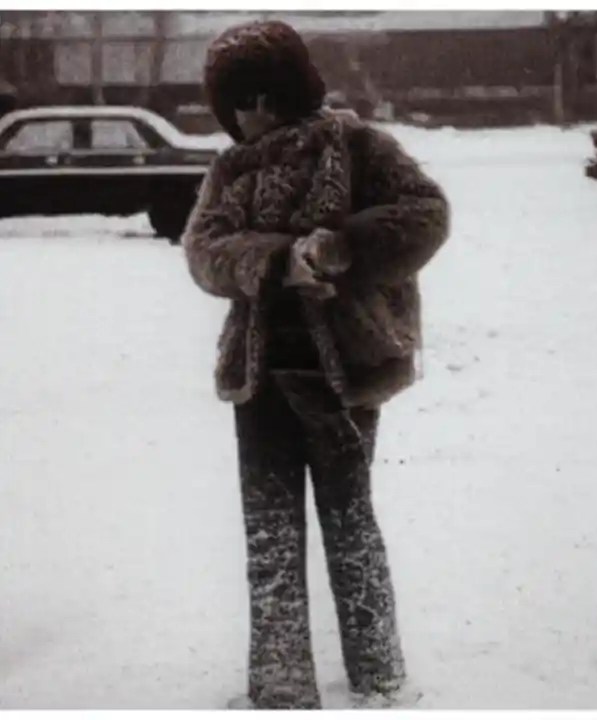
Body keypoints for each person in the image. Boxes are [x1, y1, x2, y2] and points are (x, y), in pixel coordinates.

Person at [181, 20, 450, 709]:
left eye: (246, 102)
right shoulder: (230, 168)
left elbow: (426, 214)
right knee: (268, 535)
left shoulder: (358, 145)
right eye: (233, 107)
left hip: (346, 375)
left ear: (274, 96)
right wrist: (277, 262)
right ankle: (280, 688)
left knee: (349, 524)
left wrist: (343, 248)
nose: (240, 120)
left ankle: (380, 676)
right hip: (260, 373)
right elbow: (205, 252)